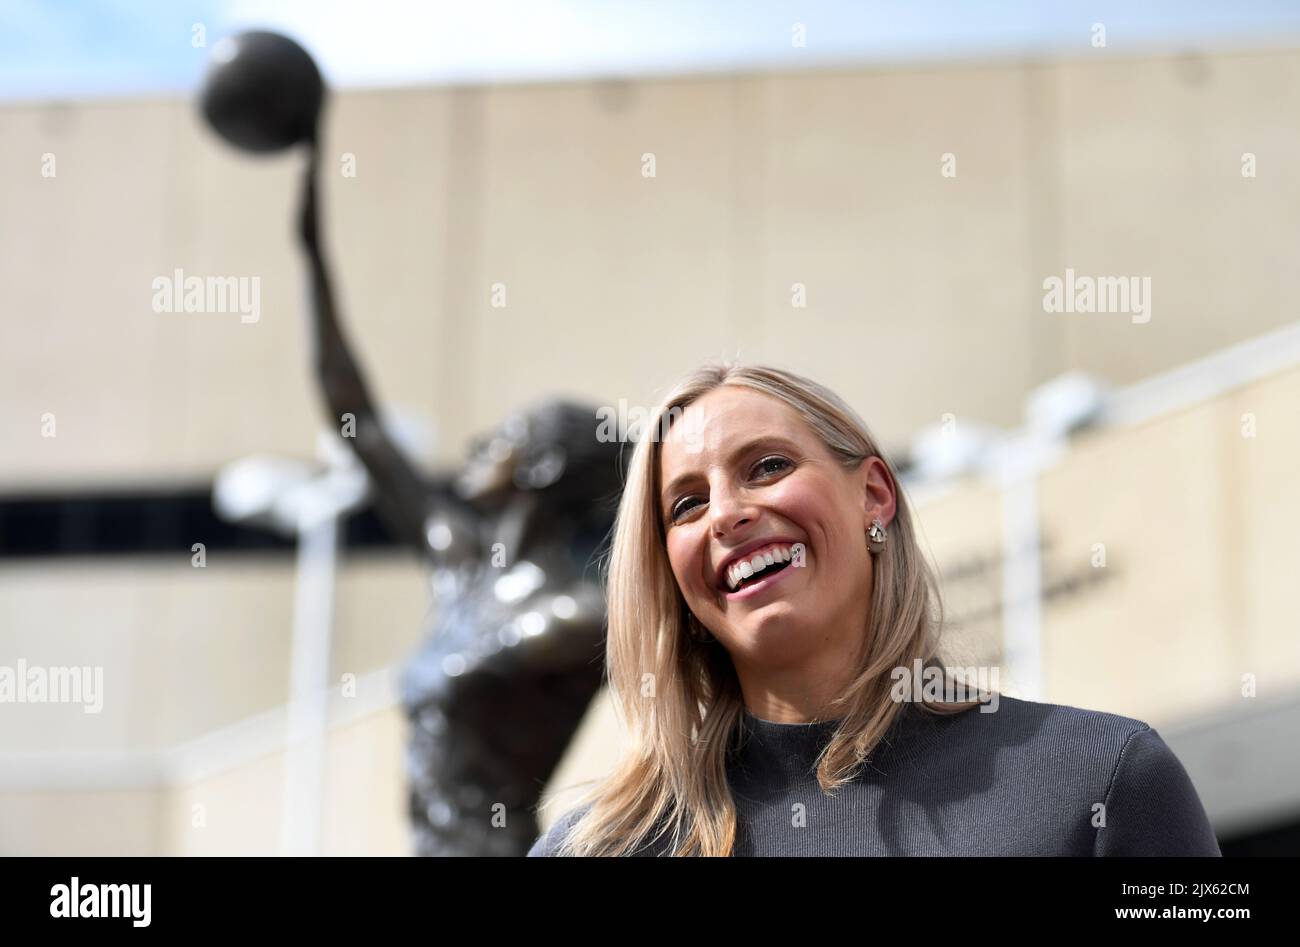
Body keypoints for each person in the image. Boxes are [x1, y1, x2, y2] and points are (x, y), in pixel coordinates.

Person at [528, 362, 1220, 856]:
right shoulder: (595, 846)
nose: (728, 514)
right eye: (687, 503)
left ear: (875, 496)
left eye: (767, 466)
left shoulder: (1109, 774)